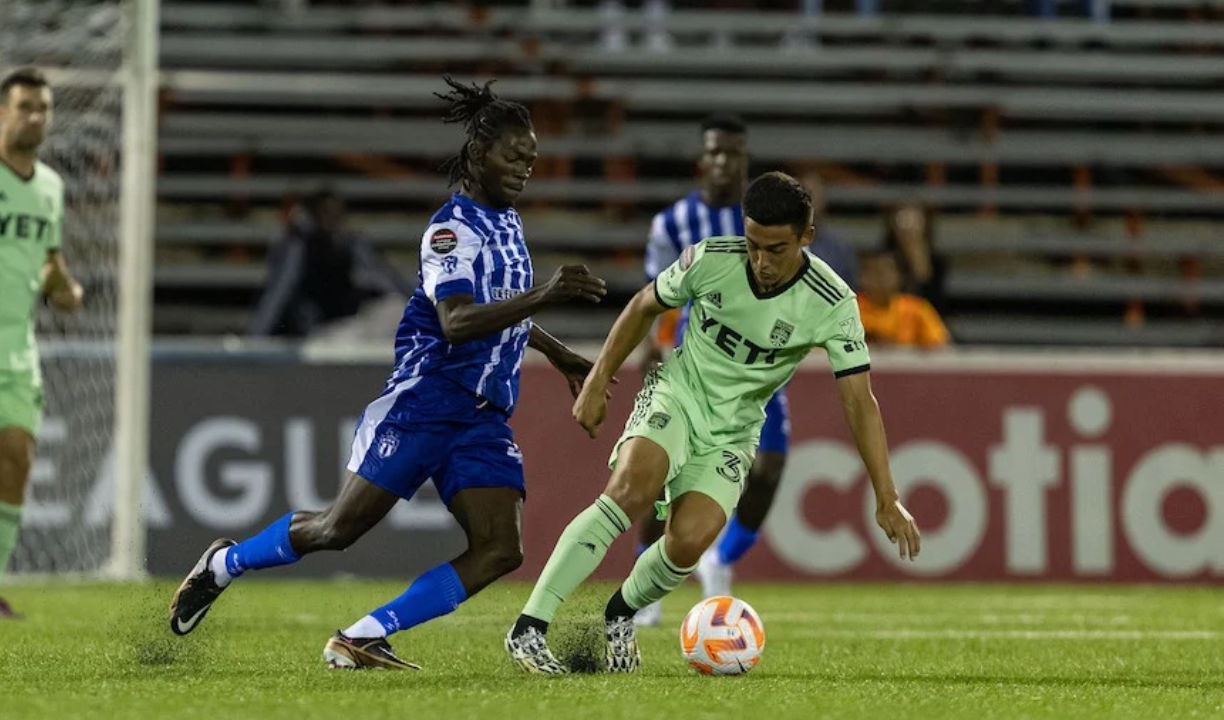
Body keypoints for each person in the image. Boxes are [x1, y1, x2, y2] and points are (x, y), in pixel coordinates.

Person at [168, 76, 607, 670]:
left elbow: (499, 309)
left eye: (531, 159)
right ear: (479, 153)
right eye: (514, 156)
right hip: (425, 402)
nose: (525, 169)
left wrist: (555, 352)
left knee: (501, 549)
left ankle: (363, 635)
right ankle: (224, 564)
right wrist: (548, 293)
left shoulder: (508, 224)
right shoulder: (450, 230)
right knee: (335, 530)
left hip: (481, 418)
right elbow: (456, 322)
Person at [506, 172, 921, 674]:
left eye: (777, 249)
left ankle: (620, 614)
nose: (762, 262)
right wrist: (598, 379)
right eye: (754, 245)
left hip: (735, 431)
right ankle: (530, 626)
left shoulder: (832, 302)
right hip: (678, 394)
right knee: (630, 491)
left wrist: (886, 494)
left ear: (807, 237)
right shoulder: (712, 259)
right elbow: (643, 305)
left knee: (689, 540)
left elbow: (859, 401)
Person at [633, 114, 792, 625]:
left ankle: (719, 561)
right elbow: (652, 298)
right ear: (704, 160)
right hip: (694, 370)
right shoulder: (673, 224)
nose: (723, 161)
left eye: (733, 152)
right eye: (715, 152)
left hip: (758, 370)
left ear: (745, 159)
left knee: (768, 469)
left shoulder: (765, 219)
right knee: (663, 479)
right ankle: (646, 588)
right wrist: (651, 350)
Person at [0, 67, 85, 618]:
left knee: (16, 461)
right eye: (25, 106)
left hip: (17, 354)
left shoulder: (50, 187)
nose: (35, 116)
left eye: (43, 107)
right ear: (1, 113)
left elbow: (50, 259)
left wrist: (65, 287)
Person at [249, 189, 408, 337]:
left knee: (396, 308)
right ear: (315, 216)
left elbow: (385, 278)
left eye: (337, 213)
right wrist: (256, 337)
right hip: (315, 333)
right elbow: (279, 291)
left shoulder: (350, 243)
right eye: (327, 213)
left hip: (343, 327)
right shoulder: (299, 246)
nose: (333, 218)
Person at [856, 250, 950, 349]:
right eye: (867, 272)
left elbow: (940, 345)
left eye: (880, 273)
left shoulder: (916, 308)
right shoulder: (850, 307)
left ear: (899, 276)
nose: (873, 279)